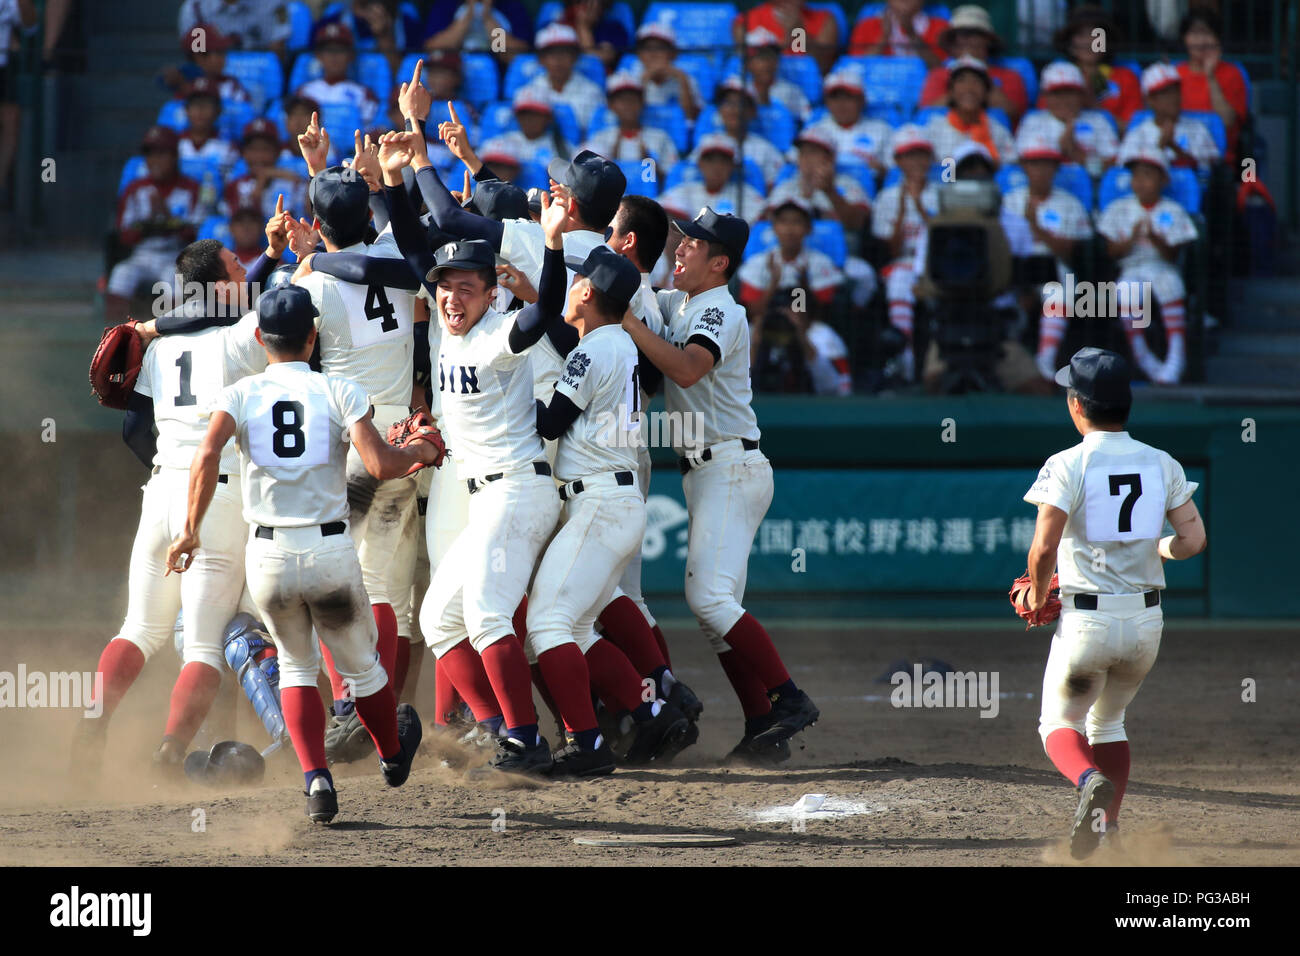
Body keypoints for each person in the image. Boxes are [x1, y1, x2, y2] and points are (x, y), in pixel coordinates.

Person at [167, 284, 434, 822]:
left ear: (262, 339)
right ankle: (389, 756)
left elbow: (207, 453)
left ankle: (316, 782)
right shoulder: (339, 390)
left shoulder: (238, 395)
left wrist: (190, 530)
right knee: (364, 670)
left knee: (294, 667)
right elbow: (381, 465)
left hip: (267, 554)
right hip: (329, 549)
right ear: (314, 336)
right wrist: (421, 450)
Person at [619, 206, 821, 763]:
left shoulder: (722, 310)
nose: (679, 249)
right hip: (709, 470)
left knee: (706, 598)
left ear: (720, 263)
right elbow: (629, 293)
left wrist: (634, 324)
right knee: (717, 612)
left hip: (732, 466)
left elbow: (686, 369)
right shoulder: (679, 301)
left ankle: (788, 699)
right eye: (680, 241)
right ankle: (763, 726)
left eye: (693, 245)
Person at [71, 237, 272, 781]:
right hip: (215, 495)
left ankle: (92, 725)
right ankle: (168, 753)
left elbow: (134, 429)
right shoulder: (238, 338)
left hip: (160, 489)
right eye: (237, 266)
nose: (246, 274)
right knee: (204, 647)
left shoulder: (159, 347)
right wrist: (284, 260)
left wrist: (150, 328)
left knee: (138, 627)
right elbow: (280, 314)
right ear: (217, 286)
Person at [1022, 346, 1206, 858]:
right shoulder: (1161, 461)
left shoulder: (1067, 463)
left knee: (1059, 725)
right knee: (1110, 723)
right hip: (1146, 621)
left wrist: (1038, 596)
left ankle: (1087, 781)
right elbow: (1192, 541)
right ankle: (1108, 824)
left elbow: (1042, 548)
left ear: (1077, 404)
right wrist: (1158, 549)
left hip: (1087, 623)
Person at [529, 242, 692, 771]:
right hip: (613, 498)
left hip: (599, 501)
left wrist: (502, 397)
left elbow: (549, 424)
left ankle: (587, 744)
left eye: (578, 279)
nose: (571, 285)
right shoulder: (618, 344)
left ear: (589, 292)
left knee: (547, 625)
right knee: (577, 627)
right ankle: (656, 711)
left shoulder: (594, 348)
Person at [1095, 146, 1197, 385]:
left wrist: (1155, 238)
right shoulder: (1119, 209)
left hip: (1163, 267)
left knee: (1169, 285)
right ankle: (1142, 356)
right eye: (1136, 175)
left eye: (1148, 175)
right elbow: (1110, 252)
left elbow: (1173, 255)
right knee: (1125, 290)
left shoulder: (1173, 210)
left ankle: (1176, 355)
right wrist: (1130, 240)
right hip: (1131, 268)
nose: (1140, 181)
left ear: (1163, 179)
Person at [1001, 129, 1094, 381]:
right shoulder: (1008, 202)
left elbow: (1073, 253)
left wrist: (1036, 227)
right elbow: (1000, 249)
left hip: (1055, 268)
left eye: (1046, 164)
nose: (1040, 170)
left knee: (1061, 290)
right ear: (1024, 167)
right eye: (1034, 163)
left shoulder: (1069, 204)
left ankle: (1045, 362)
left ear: (1055, 168)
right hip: (1015, 267)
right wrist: (1022, 286)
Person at [739, 197, 854, 396]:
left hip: (805, 324)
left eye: (797, 222)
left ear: (808, 228)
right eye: (783, 221)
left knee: (826, 339)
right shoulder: (759, 263)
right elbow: (754, 311)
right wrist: (774, 283)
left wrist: (802, 285)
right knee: (740, 338)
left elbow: (820, 311)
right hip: (764, 324)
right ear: (774, 227)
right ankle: (743, 394)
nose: (790, 228)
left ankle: (838, 392)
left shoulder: (819, 263)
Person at [106, 126, 203, 325]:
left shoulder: (191, 188)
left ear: (175, 156)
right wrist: (148, 225)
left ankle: (170, 333)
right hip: (142, 254)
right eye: (151, 154)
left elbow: (196, 234)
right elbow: (124, 236)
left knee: (174, 279)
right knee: (121, 274)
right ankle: (115, 335)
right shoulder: (135, 189)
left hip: (175, 255)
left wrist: (167, 218)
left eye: (162, 154)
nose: (155, 160)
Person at [871, 124, 937, 382]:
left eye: (921, 154)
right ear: (898, 160)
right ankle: (904, 353)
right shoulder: (887, 197)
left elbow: (943, 242)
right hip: (901, 263)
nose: (916, 161)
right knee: (899, 280)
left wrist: (919, 205)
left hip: (934, 267)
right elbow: (891, 250)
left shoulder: (941, 193)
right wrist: (900, 209)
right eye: (909, 155)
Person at [918, 5, 1027, 124]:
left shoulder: (1010, 76)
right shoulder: (938, 75)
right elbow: (927, 114)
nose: (966, 39)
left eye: (973, 33)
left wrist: (981, 79)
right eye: (959, 34)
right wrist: (964, 91)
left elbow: (1014, 114)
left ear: (988, 40)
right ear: (952, 42)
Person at [1050, 4, 1141, 129]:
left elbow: (1134, 130)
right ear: (1070, 43)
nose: (1089, 42)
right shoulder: (1057, 75)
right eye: (1081, 35)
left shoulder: (1125, 78)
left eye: (1097, 35)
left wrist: (1095, 108)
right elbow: (1045, 121)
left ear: (1107, 42)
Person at [1018, 61, 1118, 175]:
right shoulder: (1032, 122)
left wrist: (1077, 154)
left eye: (1069, 92)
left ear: (1081, 95)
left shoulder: (1098, 120)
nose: (1064, 99)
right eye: (1057, 93)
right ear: (1045, 96)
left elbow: (1114, 166)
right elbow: (1023, 164)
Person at [1175, 8, 1247, 164]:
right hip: (1177, 153)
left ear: (1217, 39)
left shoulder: (1232, 74)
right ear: (1185, 38)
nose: (1201, 41)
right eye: (1194, 34)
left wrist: (1210, 76)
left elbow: (1227, 121)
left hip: (1217, 158)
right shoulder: (1175, 74)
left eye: (1207, 33)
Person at [1120, 62, 1220, 172]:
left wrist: (1174, 147)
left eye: (1175, 90)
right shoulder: (1138, 135)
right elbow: (1125, 173)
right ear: (1150, 100)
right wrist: (1160, 148)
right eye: (1165, 93)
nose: (1173, 97)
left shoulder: (1197, 129)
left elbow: (1208, 171)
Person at [922, 56, 1016, 168]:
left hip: (987, 184)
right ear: (950, 91)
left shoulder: (998, 131)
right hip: (946, 184)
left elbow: (1011, 170)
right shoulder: (933, 129)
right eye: (962, 81)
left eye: (976, 82)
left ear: (986, 92)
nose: (969, 88)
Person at [769, 128, 870, 231]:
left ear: (830, 157)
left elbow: (856, 224)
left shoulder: (849, 185)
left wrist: (830, 192)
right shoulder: (786, 187)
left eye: (812, 152)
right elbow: (769, 223)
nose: (806, 158)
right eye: (802, 152)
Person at [657, 134, 765, 224]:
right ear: (700, 164)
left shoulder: (746, 194)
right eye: (710, 160)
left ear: (732, 166)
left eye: (723, 161)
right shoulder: (685, 191)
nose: (717, 167)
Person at [802, 71, 894, 174]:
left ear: (862, 100)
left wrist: (882, 172)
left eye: (848, 97)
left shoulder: (881, 130)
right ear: (826, 102)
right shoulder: (814, 132)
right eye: (835, 97)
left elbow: (895, 172)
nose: (841, 104)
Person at [581, 72, 679, 168]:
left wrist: (649, 163)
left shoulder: (660, 137)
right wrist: (611, 164)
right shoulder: (600, 139)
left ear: (642, 103)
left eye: (632, 99)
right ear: (611, 105)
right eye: (622, 100)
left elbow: (672, 178)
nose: (628, 105)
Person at [521, 23, 605, 135]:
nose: (558, 60)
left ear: (575, 57)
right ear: (541, 60)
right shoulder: (529, 92)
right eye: (552, 54)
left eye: (564, 53)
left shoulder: (592, 91)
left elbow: (596, 134)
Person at [297, 23, 381, 130]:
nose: (334, 56)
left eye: (340, 50)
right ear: (318, 55)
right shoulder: (304, 92)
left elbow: (371, 132)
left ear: (351, 56)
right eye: (329, 50)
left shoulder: (363, 94)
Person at [707, 77, 786, 190]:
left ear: (752, 112)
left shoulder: (765, 150)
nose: (733, 109)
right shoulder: (707, 143)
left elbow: (776, 189)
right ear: (720, 110)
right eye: (728, 102)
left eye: (740, 103)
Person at [223, 118, 308, 221]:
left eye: (265, 149)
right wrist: (260, 184)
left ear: (277, 153)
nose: (259, 156)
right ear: (243, 153)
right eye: (253, 149)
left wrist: (273, 174)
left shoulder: (290, 183)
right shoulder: (235, 185)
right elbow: (244, 224)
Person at [733, 0, 839, 74]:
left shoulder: (825, 20)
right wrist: (785, 42)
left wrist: (799, 34)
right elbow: (745, 67)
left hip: (803, 94)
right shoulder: (746, 20)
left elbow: (823, 67)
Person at [478, 88, 573, 168]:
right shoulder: (500, 142)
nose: (529, 119)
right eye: (524, 114)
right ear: (516, 116)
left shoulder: (561, 148)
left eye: (536, 114)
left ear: (548, 118)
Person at [162, 22, 251, 106]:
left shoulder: (230, 84)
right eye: (219, 53)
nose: (224, 58)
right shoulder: (180, 84)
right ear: (199, 57)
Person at [629, 22, 701, 122]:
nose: (653, 54)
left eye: (659, 48)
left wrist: (683, 81)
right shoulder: (629, 80)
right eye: (647, 48)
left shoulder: (686, 79)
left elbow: (690, 118)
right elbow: (629, 118)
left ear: (673, 54)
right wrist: (643, 82)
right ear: (639, 54)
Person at [738, 27, 810, 123]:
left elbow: (808, 121)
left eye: (771, 56)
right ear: (747, 63)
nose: (767, 63)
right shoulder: (739, 91)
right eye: (761, 57)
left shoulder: (791, 91)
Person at [422, 0, 533, 61]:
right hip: (454, 71)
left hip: (495, 74)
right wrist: (469, 14)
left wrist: (487, 17)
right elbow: (433, 49)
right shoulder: (447, 4)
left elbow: (514, 57)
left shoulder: (511, 6)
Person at [178, 76, 241, 183]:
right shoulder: (174, 144)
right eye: (196, 104)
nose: (200, 111)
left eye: (206, 105)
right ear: (186, 110)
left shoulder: (228, 149)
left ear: (218, 110)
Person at [849, 0, 948, 67]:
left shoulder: (940, 27)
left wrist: (912, 34)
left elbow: (940, 69)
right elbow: (857, 68)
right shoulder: (866, 25)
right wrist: (884, 37)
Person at [178, 0, 292, 53]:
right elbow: (195, 55)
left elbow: (277, 52)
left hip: (257, 76)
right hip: (211, 81)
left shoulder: (274, 3)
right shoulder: (195, 8)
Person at [556, 0, 629, 73]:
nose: (588, 6)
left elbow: (599, 61)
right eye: (581, 2)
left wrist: (584, 27)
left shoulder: (614, 29)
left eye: (594, 2)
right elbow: (554, 60)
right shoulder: (558, 27)